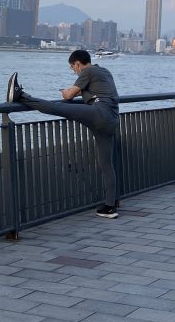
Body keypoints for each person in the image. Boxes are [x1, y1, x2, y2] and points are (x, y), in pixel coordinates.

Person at [7, 50, 122, 217]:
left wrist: (64, 92)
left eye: (72, 67)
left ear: (77, 64)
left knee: (57, 107)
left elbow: (68, 96)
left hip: (99, 112)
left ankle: (20, 95)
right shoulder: (104, 71)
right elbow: (91, 92)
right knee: (107, 164)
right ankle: (110, 206)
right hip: (112, 119)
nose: (73, 70)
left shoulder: (87, 71)